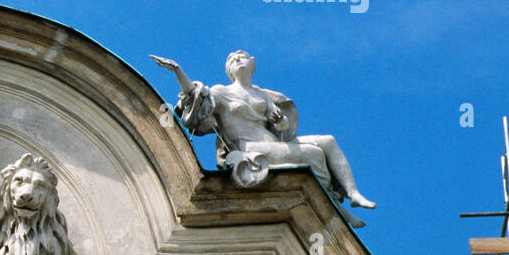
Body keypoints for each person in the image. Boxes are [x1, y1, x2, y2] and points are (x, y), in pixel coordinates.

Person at [150, 50, 375, 209]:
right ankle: (331, 202)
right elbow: (195, 96)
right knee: (314, 154)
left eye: (243, 57)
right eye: (233, 60)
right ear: (229, 69)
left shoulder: (263, 95)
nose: (238, 60)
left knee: (328, 140)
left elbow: (282, 126)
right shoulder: (221, 91)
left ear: (252, 64)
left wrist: (281, 121)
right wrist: (178, 71)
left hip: (274, 143)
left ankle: (352, 194)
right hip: (251, 147)